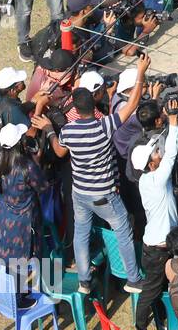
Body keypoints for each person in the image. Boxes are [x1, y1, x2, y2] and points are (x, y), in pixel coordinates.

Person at [48, 66, 148, 295]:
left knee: (81, 235)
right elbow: (132, 105)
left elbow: (60, 152)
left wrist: (51, 132)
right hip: (104, 194)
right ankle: (133, 278)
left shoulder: (68, 131)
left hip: (80, 192)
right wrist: (140, 72)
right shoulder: (104, 125)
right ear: (94, 104)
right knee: (123, 230)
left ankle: (84, 280)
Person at [130, 98, 178, 330]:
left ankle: (160, 319)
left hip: (156, 246)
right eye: (155, 152)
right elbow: (171, 153)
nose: (159, 152)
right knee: (150, 291)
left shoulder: (146, 180)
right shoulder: (157, 180)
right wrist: (173, 122)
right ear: (151, 163)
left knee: (156, 288)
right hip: (157, 250)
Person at [0, 122, 49, 270]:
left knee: (10, 260)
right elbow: (43, 187)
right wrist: (37, 162)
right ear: (18, 143)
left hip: (4, 214)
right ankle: (20, 291)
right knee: (21, 262)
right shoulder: (27, 166)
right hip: (24, 221)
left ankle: (14, 288)